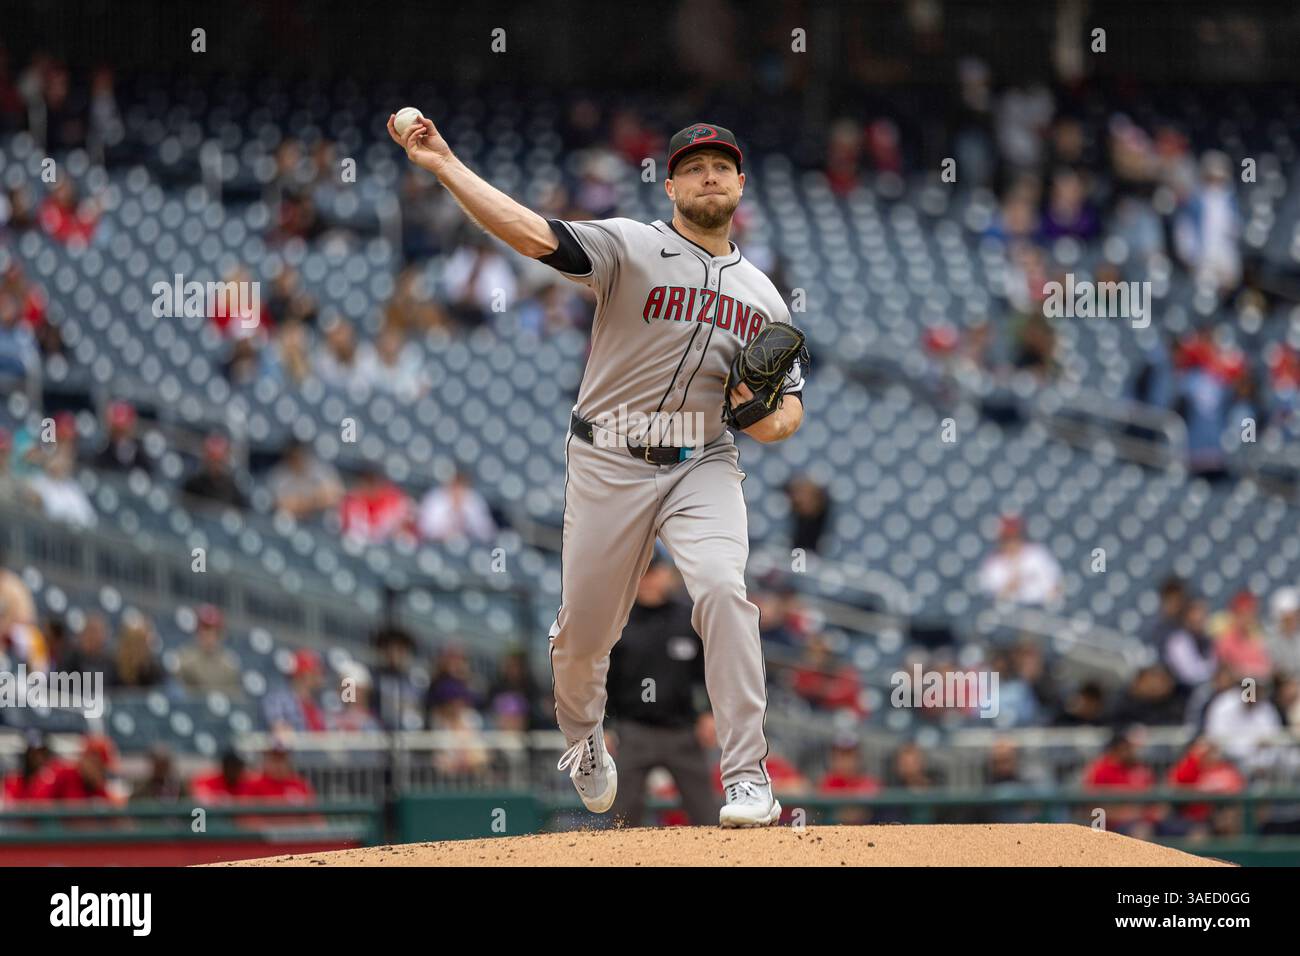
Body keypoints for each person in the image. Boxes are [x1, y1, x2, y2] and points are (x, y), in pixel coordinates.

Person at [391, 116, 806, 827]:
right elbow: (531, 234)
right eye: (693, 165)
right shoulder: (631, 244)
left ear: (740, 185)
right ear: (670, 184)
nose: (709, 175)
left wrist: (755, 410)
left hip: (702, 460)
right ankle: (584, 740)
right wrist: (446, 167)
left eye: (721, 166)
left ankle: (747, 777)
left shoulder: (765, 298)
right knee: (582, 637)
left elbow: (787, 414)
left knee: (722, 592)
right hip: (608, 456)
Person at [606, 552, 717, 827]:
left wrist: (709, 713)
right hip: (634, 732)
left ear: (668, 573)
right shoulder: (618, 619)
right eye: (642, 572)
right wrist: (605, 726)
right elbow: (604, 679)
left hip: (682, 732)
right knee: (622, 819)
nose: (649, 580)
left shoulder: (689, 617)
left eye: (654, 571)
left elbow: (708, 671)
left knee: (708, 815)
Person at [977, 513, 1062, 607]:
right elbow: (992, 596)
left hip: (1041, 609)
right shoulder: (993, 564)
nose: (1012, 543)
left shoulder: (1037, 554)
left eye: (1015, 537)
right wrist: (1011, 584)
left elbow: (1054, 587)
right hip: (1010, 613)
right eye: (1007, 539)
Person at [176, 604, 243, 696]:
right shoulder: (185, 657)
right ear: (198, 632)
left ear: (219, 634)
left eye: (213, 631)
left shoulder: (229, 663)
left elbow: (236, 696)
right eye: (204, 629)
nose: (208, 635)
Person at [267, 440, 343, 521]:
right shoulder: (278, 473)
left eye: (300, 454)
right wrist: (314, 499)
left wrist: (304, 502)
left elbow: (336, 494)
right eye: (293, 455)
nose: (297, 458)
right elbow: (280, 504)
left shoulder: (320, 468)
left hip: (319, 518)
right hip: (291, 521)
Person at [416, 469, 497, 543]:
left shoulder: (474, 500)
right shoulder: (435, 498)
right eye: (455, 487)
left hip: (468, 544)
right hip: (438, 543)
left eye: (462, 488)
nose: (458, 492)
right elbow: (425, 527)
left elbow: (486, 530)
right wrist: (445, 533)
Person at [263, 648, 329, 734]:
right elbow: (280, 730)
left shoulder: (317, 702)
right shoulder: (277, 699)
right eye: (314, 673)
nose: (319, 679)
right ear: (303, 675)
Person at [181, 433, 249, 509]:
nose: (215, 464)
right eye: (212, 459)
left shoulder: (233, 490)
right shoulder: (193, 485)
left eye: (218, 460)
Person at [93, 400, 150, 474]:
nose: (121, 437)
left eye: (124, 431)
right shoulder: (103, 457)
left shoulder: (142, 455)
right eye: (117, 431)